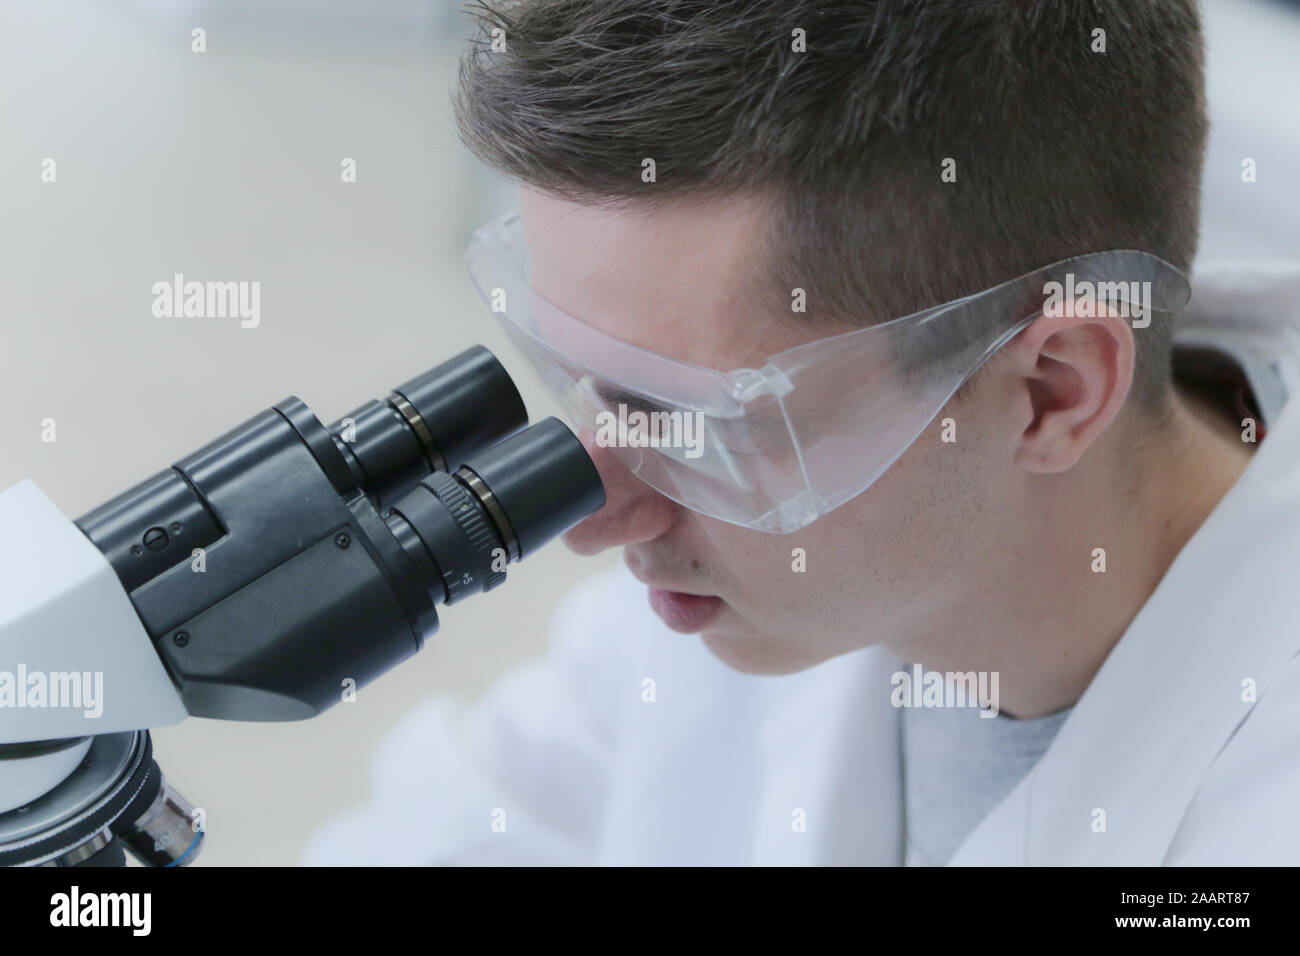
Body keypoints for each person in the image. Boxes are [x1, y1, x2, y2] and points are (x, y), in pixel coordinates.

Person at [303, 0, 1300, 865]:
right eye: (581, 384)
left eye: (694, 419)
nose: (593, 517)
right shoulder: (750, 590)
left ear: (1050, 392)